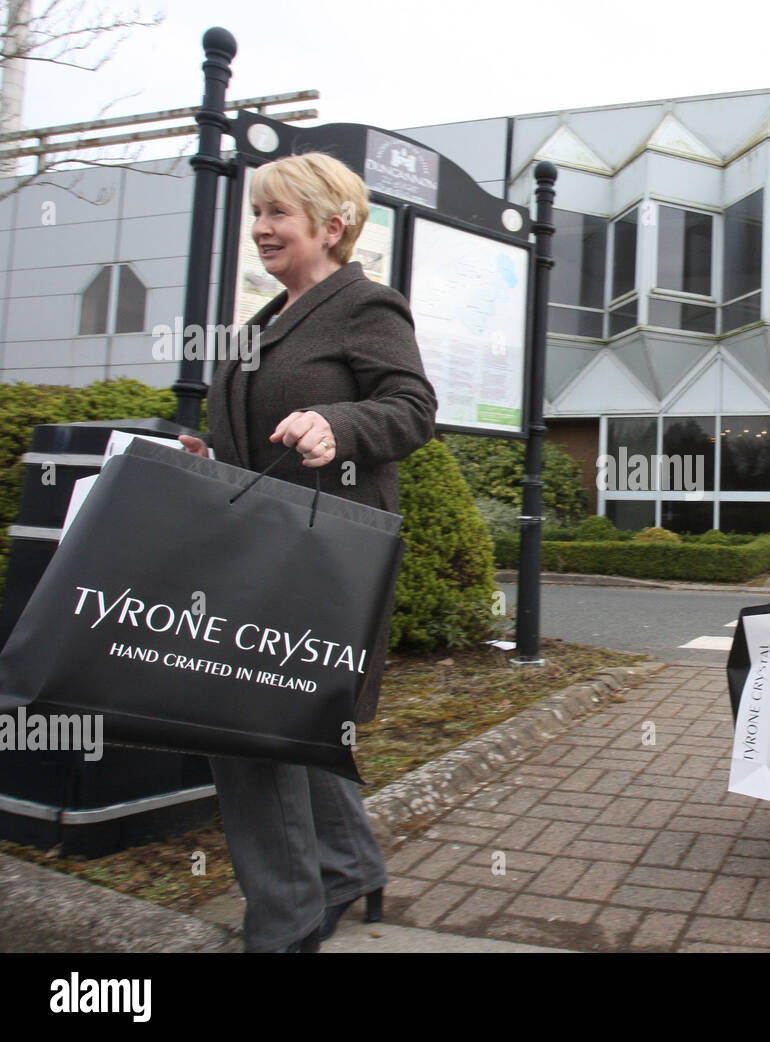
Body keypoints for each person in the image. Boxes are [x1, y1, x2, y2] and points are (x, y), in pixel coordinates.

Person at [179, 151, 438, 951]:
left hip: (325, 558)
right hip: (260, 551)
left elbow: (412, 407)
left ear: (332, 226)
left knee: (252, 730)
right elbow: (255, 434)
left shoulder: (366, 304)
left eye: (278, 214)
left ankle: (285, 922)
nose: (260, 228)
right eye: (257, 212)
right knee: (295, 720)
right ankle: (351, 867)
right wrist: (209, 458)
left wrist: (340, 425)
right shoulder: (264, 321)